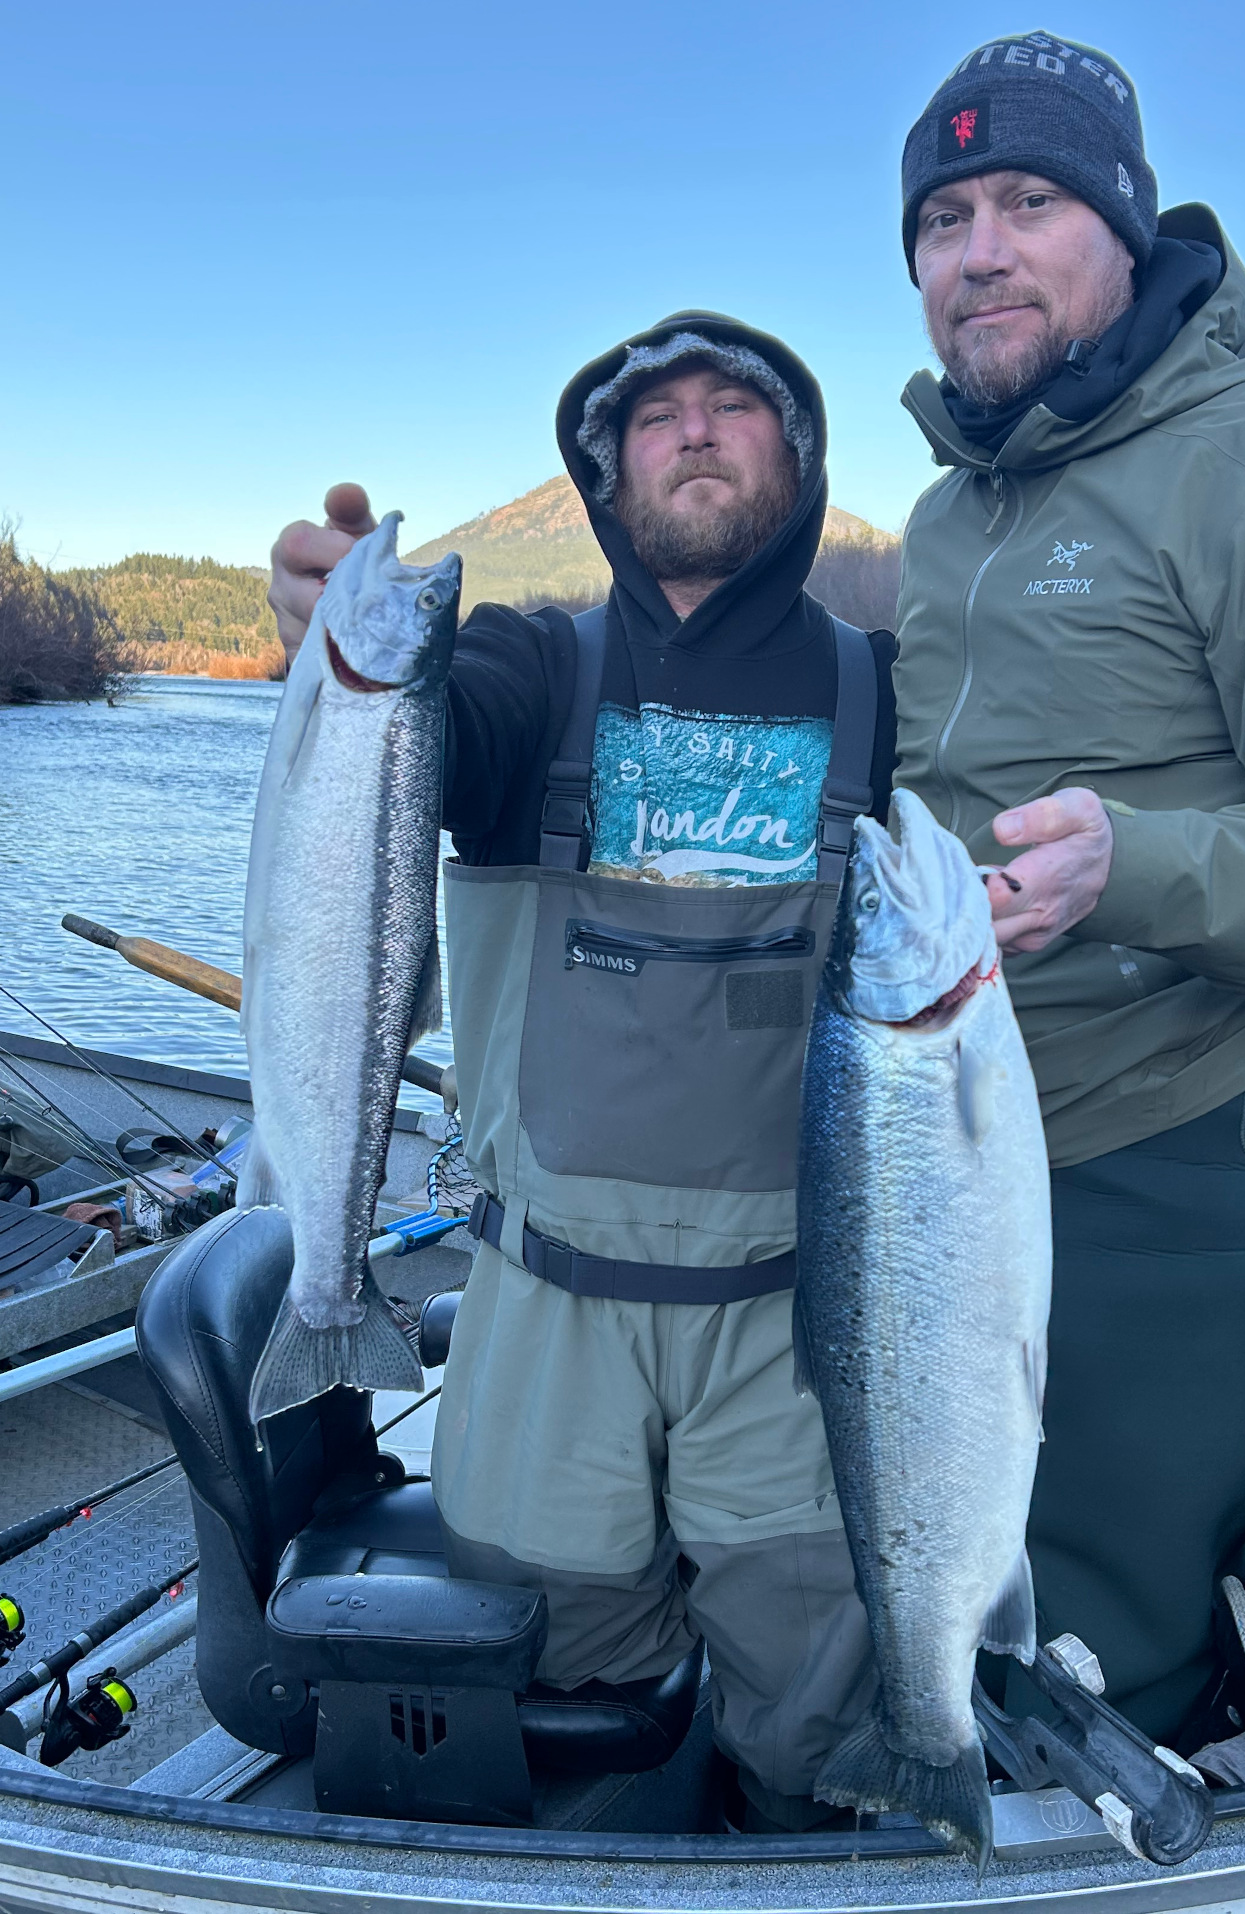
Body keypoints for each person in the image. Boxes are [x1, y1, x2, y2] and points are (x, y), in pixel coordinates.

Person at [891, 33, 1245, 1742]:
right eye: (941, 218)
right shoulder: (946, 514)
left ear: (1127, 236)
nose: (977, 248)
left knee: (1084, 1678)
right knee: (897, 1617)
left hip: (1178, 1164)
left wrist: (1134, 867)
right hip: (943, 1152)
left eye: (1031, 201)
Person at [268, 315, 895, 1829]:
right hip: (539, 1308)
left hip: (793, 1325)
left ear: (796, 458)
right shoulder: (520, 665)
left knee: (818, 1712)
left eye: (731, 407)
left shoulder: (886, 695)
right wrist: (327, 654)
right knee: (579, 1681)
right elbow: (421, 742)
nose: (692, 430)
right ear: (604, 474)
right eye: (657, 414)